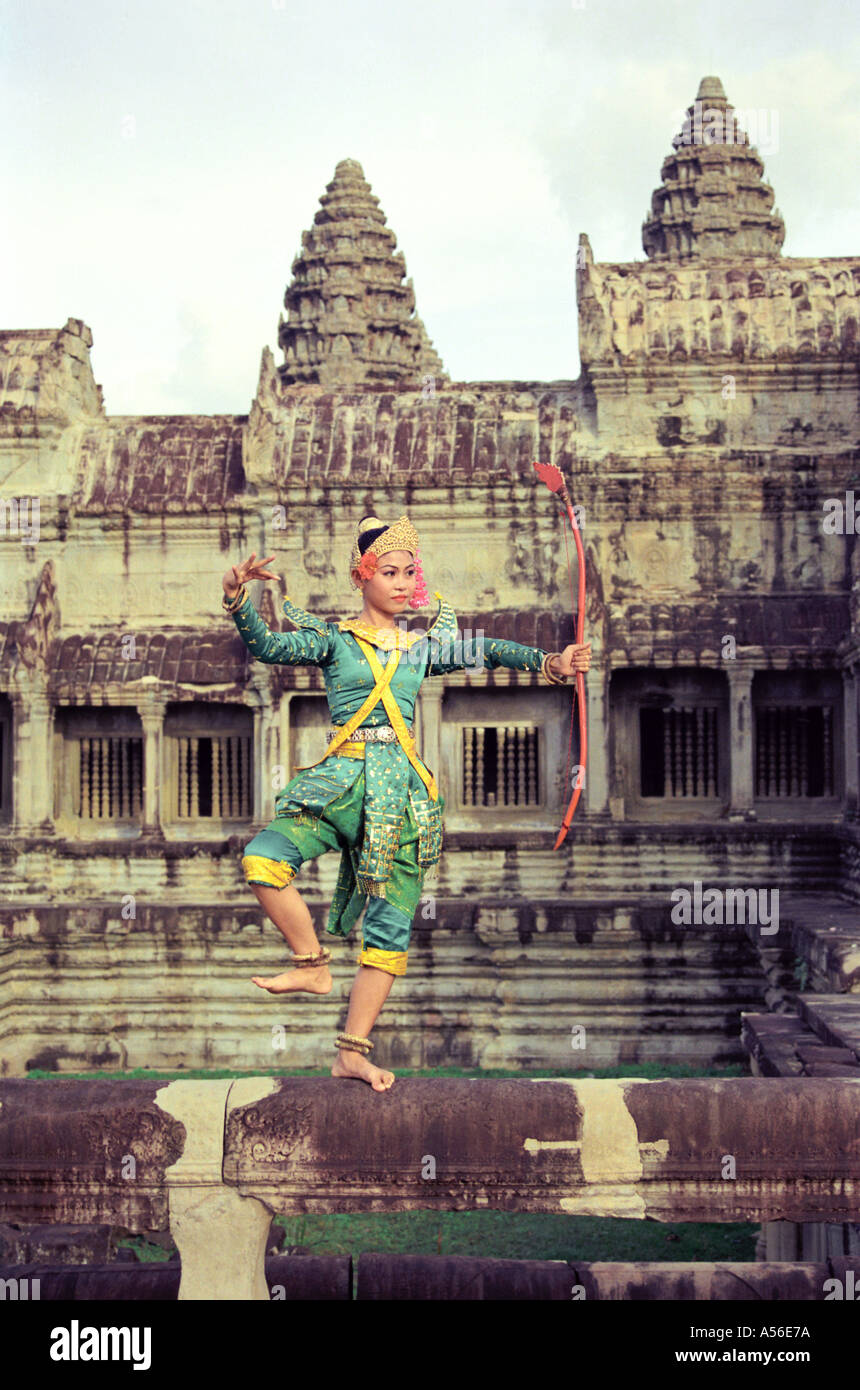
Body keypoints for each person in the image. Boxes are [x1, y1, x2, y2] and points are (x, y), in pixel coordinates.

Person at [222, 514, 591, 1090]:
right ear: (361, 576)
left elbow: (486, 649)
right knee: (263, 860)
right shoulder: (332, 640)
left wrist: (549, 664)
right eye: (388, 572)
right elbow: (268, 645)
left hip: (405, 800)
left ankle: (352, 1050)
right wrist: (238, 598)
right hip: (339, 784)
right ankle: (311, 963)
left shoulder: (422, 650)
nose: (401, 583)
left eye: (409, 573)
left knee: (390, 930)